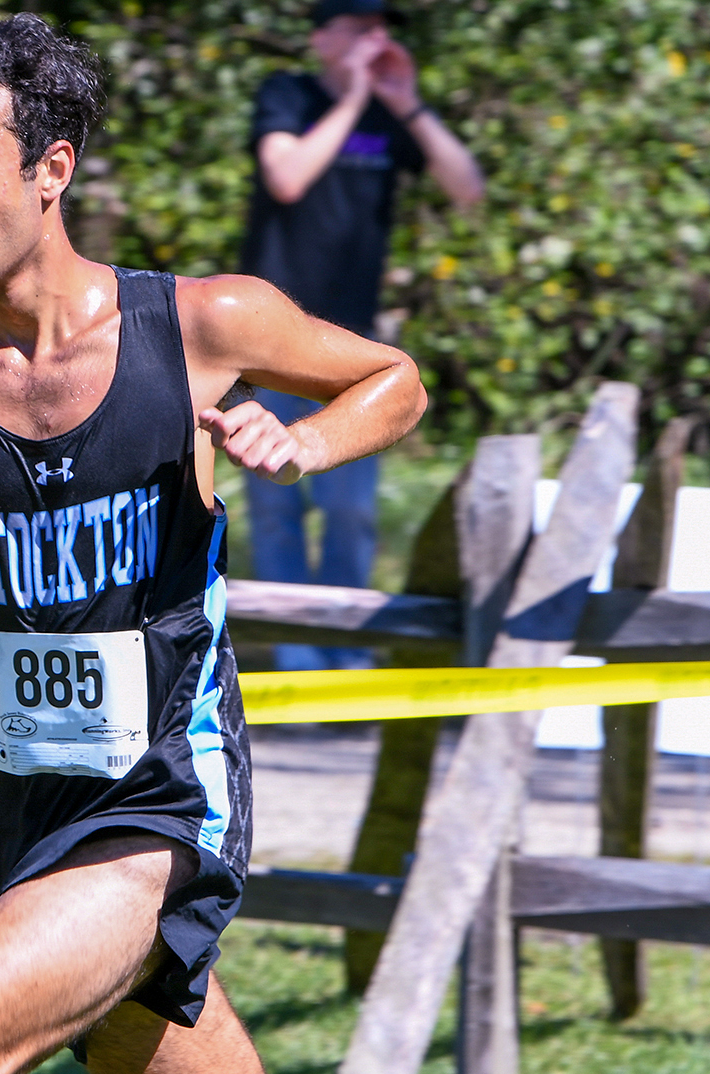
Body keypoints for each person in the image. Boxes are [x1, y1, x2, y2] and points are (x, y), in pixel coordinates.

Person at [0, 15, 424, 1074]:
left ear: (51, 169)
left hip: (163, 803)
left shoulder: (201, 326)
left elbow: (394, 379)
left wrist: (303, 442)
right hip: (20, 816)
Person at [239, 0, 483, 670]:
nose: (374, 39)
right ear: (321, 37)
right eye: (358, 27)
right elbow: (285, 178)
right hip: (270, 339)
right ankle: (299, 667)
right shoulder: (287, 94)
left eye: (381, 29)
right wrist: (348, 101)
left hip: (353, 351)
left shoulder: (389, 114)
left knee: (350, 511)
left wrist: (405, 102)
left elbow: (467, 187)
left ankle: (347, 665)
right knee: (278, 503)